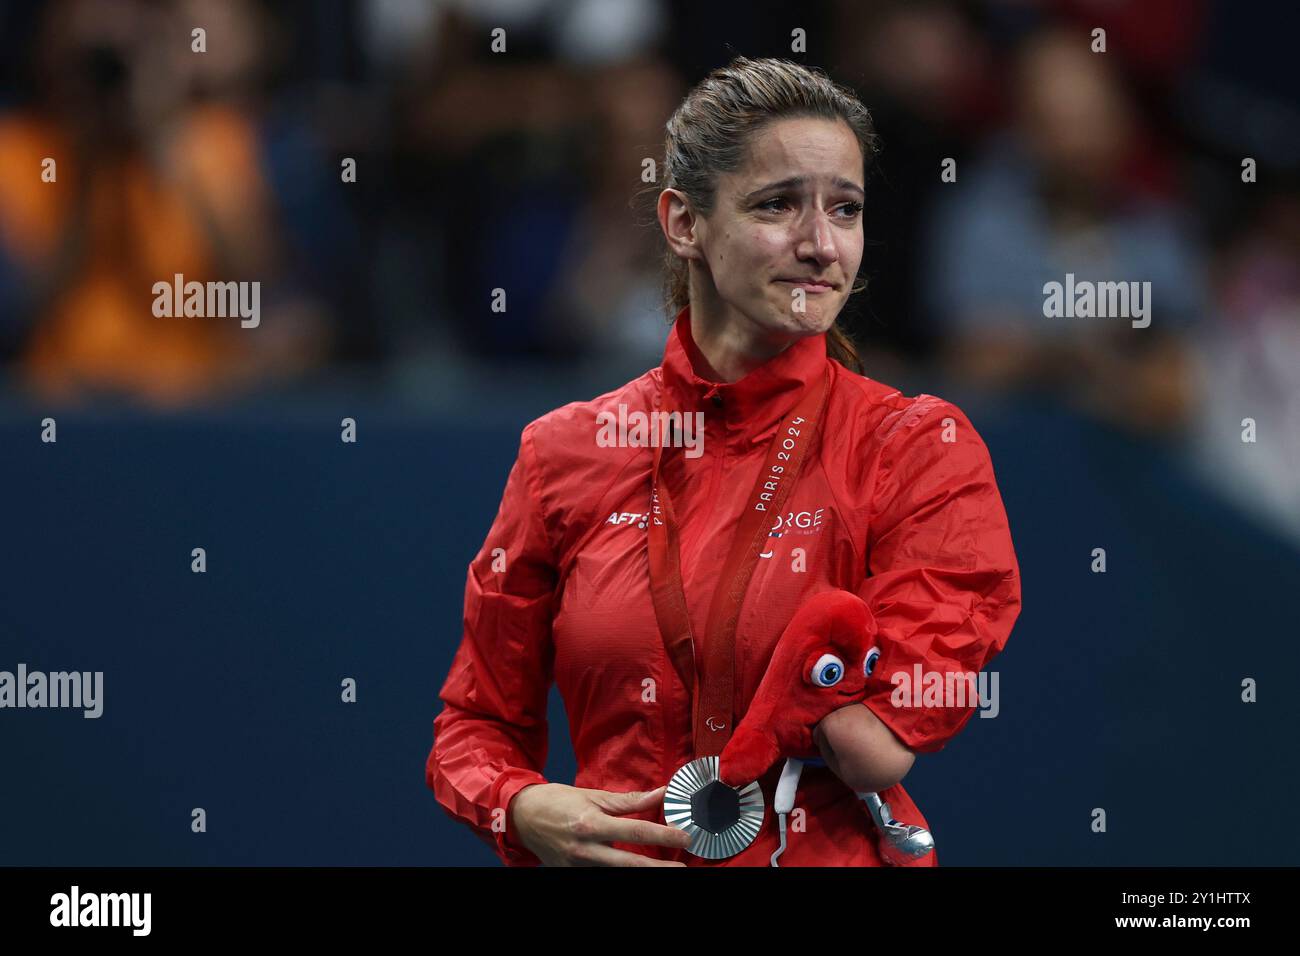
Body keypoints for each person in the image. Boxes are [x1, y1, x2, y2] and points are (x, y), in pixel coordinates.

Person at [426, 56, 1022, 866]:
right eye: (778, 205)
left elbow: (877, 742)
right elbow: (475, 726)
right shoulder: (562, 452)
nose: (819, 245)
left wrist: (821, 674)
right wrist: (521, 806)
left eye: (844, 209)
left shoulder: (916, 450)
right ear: (683, 223)